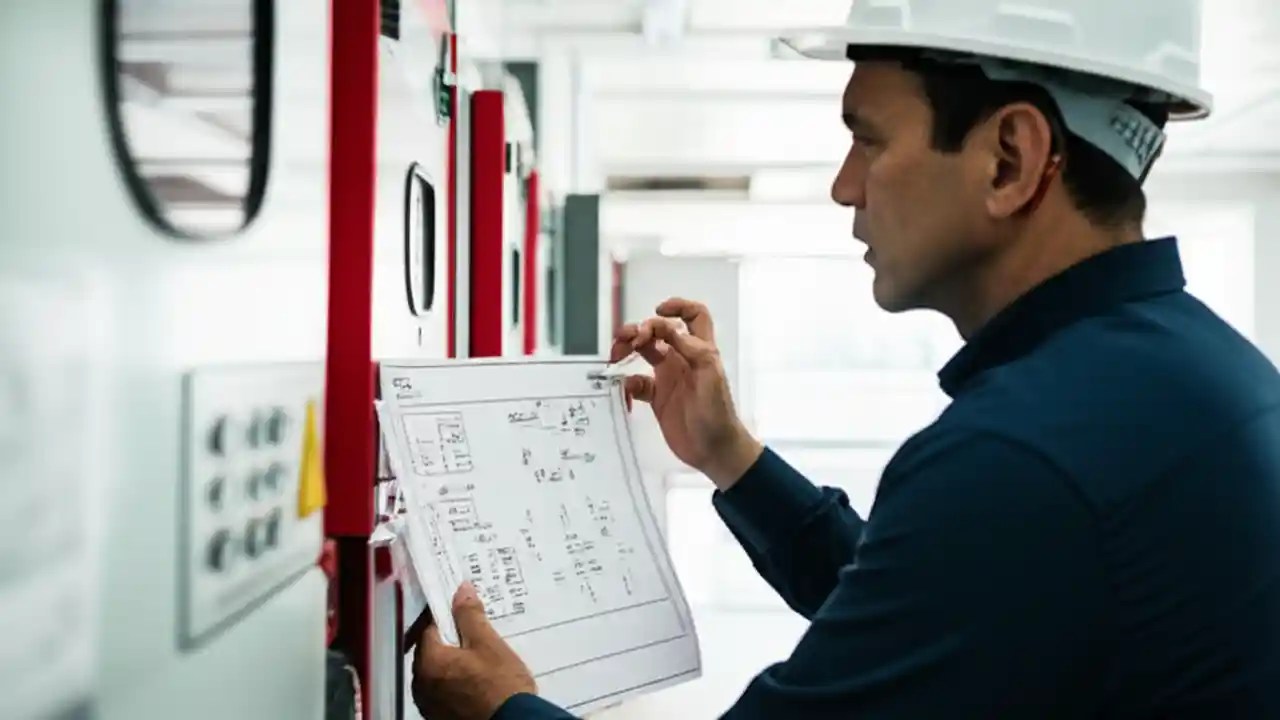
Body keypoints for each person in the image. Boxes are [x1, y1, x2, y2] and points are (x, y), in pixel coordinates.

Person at [408, 0, 1280, 717]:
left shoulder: (1033, 456)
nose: (844, 185)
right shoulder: (1200, 377)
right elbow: (940, 614)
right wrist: (731, 458)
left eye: (868, 139)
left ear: (1011, 158)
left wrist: (502, 711)